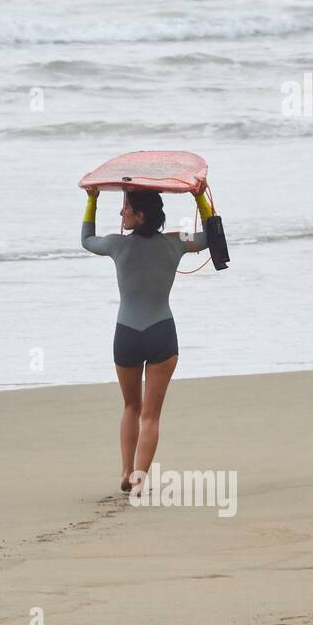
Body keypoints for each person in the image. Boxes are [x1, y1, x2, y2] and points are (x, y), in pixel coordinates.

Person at [81, 187, 212, 497]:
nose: (121, 213)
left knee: (130, 406)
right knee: (151, 414)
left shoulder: (116, 244)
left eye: (125, 207)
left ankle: (126, 471)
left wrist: (92, 198)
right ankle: (139, 478)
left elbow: (86, 239)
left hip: (126, 335)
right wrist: (199, 198)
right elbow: (211, 238)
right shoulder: (175, 242)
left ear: (139, 215)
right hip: (161, 334)